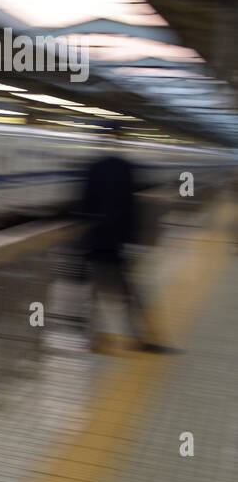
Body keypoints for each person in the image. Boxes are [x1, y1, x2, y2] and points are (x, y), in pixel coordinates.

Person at [76, 124, 169, 353]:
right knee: (128, 293)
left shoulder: (92, 168)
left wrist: (82, 241)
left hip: (97, 241)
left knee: (100, 293)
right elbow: (133, 209)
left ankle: (96, 340)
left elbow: (83, 206)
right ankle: (140, 339)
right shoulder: (127, 168)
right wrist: (136, 241)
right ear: (120, 140)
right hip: (118, 243)